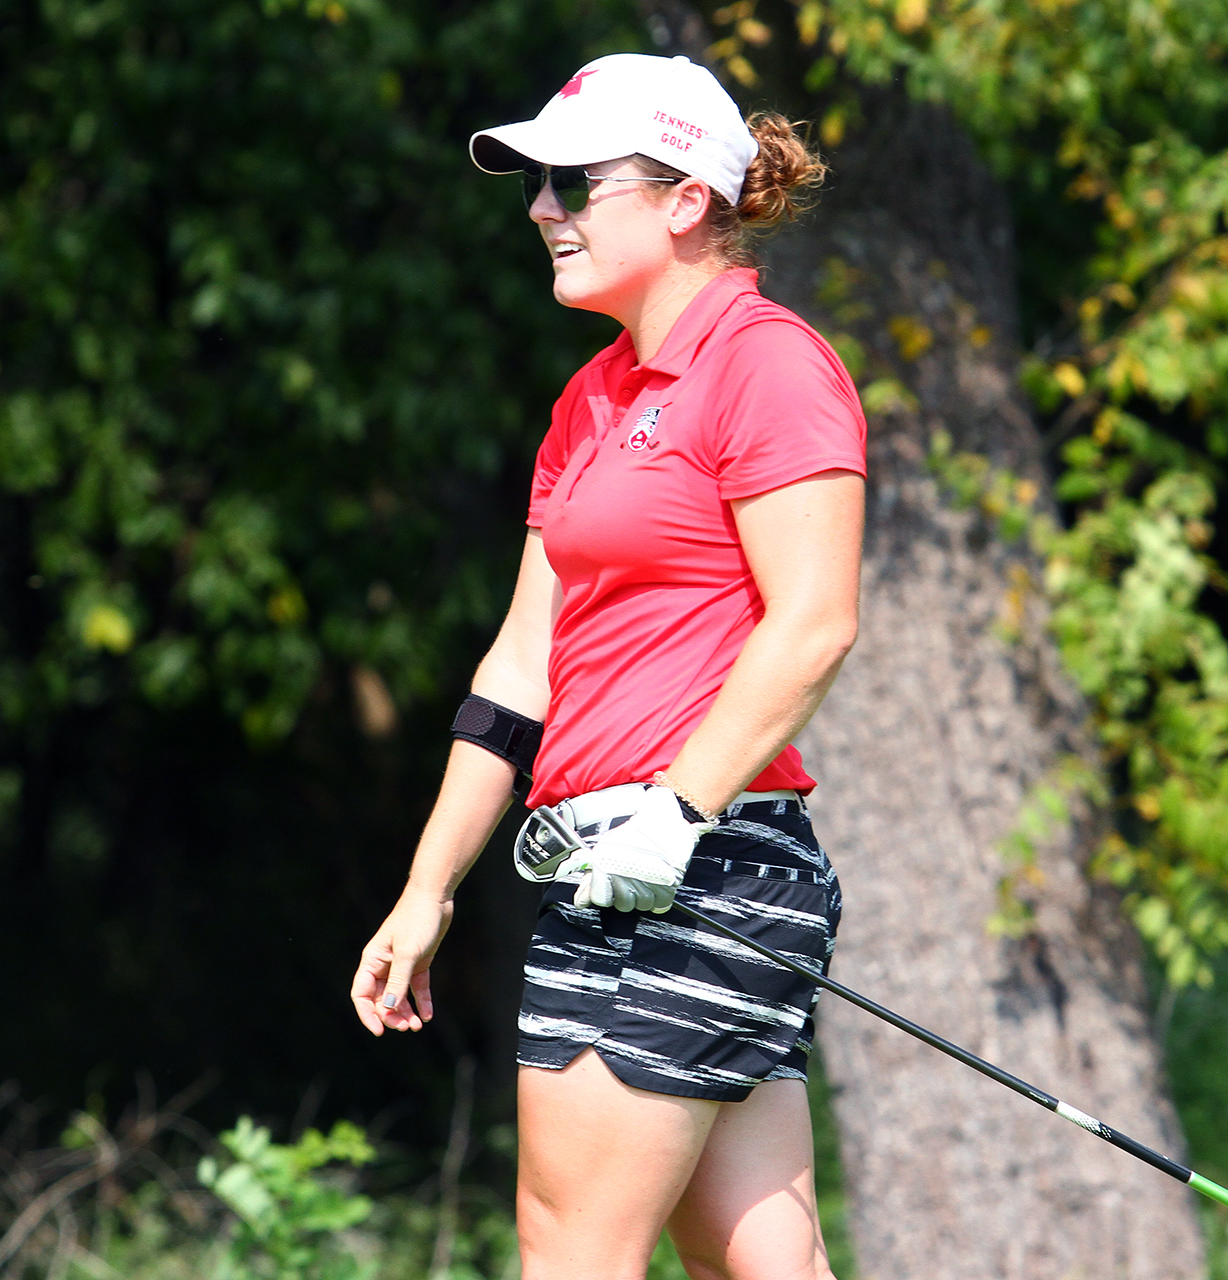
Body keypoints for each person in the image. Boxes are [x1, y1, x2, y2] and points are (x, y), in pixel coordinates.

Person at [349, 53, 866, 1280]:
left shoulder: (768, 362)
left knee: (569, 1254)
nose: (541, 208)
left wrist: (676, 811)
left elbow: (815, 621)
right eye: (538, 183)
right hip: (631, 861)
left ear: (687, 197)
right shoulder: (589, 399)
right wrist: (429, 889)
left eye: (573, 181)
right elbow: (520, 664)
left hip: (699, 859)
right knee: (764, 1261)